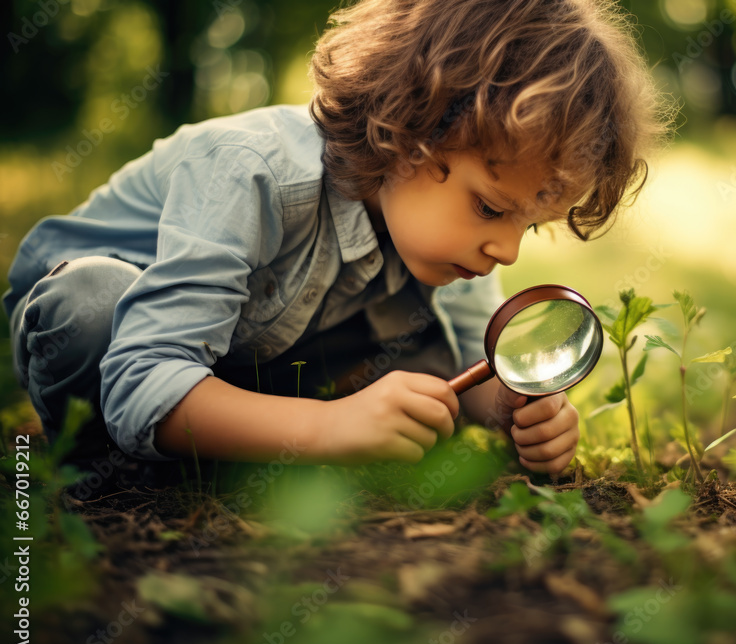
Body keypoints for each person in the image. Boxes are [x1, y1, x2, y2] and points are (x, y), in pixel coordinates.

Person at [4, 0, 667, 474]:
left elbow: (474, 369)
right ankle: (107, 468)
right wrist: (326, 428)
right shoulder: (253, 171)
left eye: (530, 224)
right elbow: (140, 377)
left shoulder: (444, 240)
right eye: (493, 208)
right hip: (117, 330)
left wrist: (521, 415)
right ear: (408, 130)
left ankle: (236, 424)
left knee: (428, 357)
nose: (509, 250)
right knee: (92, 308)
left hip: (261, 344)